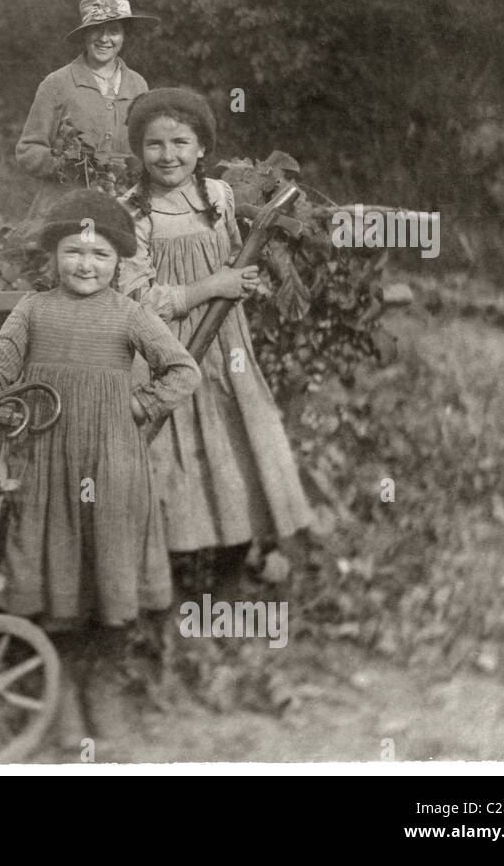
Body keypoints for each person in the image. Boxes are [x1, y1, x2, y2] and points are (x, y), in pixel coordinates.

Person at [0, 189, 200, 742]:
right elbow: (1, 356)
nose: (85, 265)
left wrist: (138, 406)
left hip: (112, 466)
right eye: (73, 251)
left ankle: (103, 686)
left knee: (110, 571)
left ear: (119, 263)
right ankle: (59, 689)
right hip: (43, 459)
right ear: (53, 256)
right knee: (53, 568)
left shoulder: (130, 314)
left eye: (100, 255)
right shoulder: (33, 309)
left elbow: (183, 370)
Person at [119, 88, 313, 656]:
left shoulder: (221, 198)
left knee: (240, 465)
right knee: (173, 478)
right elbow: (134, 300)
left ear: (202, 147)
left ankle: (224, 601)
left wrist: (241, 284)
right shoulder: (132, 212)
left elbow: (234, 262)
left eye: (181, 142)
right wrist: (211, 288)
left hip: (225, 351)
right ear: (139, 151)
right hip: (165, 359)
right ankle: (169, 607)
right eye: (154, 144)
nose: (168, 155)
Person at [15, 0, 156, 221]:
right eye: (96, 30)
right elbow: (27, 151)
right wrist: (67, 165)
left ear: (124, 35)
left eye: (113, 31)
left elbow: (146, 146)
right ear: (85, 34)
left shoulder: (138, 84)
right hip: (65, 209)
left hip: (124, 211)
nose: (104, 39)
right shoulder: (57, 83)